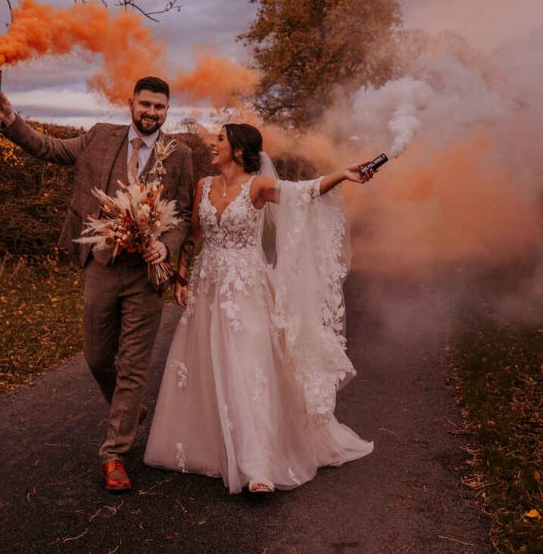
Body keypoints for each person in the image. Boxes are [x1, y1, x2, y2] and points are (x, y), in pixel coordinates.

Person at [144, 123, 375, 494]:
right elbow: (194, 234)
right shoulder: (203, 185)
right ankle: (210, 448)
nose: (212, 144)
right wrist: (183, 275)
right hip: (208, 287)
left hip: (247, 290)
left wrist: (343, 174)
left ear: (237, 149)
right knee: (205, 361)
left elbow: (305, 193)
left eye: (220, 139)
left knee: (249, 369)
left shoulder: (258, 187)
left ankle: (258, 466)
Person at [0, 77, 194, 491]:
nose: (152, 112)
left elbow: (185, 214)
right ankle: (128, 406)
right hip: (101, 263)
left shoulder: (180, 155)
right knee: (98, 356)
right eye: (146, 104)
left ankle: (114, 454)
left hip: (146, 276)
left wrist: (166, 248)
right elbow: (49, 148)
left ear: (167, 110)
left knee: (134, 365)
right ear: (130, 103)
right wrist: (11, 119)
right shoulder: (100, 137)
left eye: (160, 107)